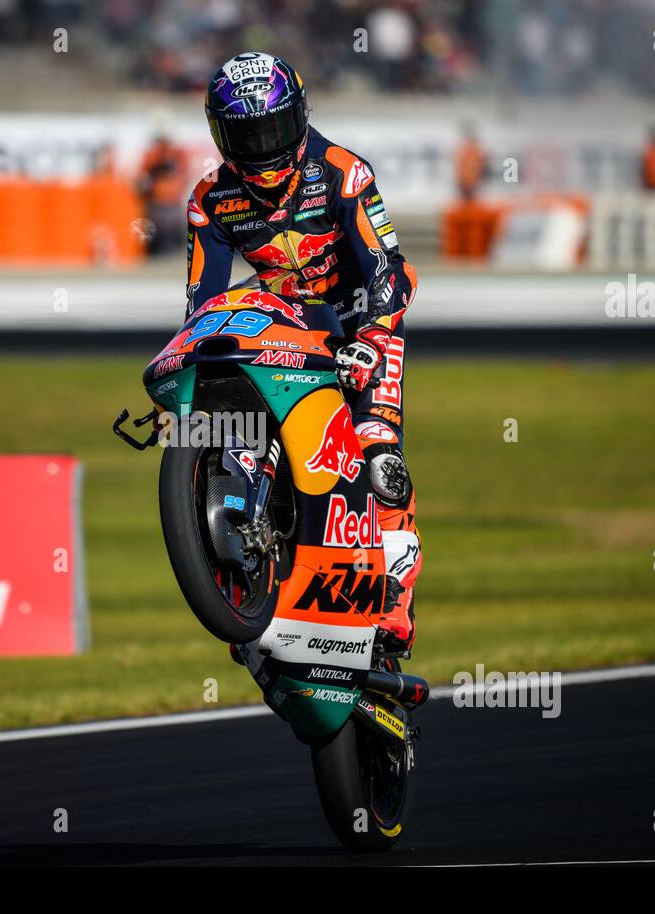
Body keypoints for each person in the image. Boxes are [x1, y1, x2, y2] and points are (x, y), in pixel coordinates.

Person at [187, 52, 421, 655]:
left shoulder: (344, 173)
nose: (263, 151)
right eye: (246, 136)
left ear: (300, 118)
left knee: (378, 456)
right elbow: (203, 302)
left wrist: (372, 337)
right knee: (230, 378)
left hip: (360, 320)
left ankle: (395, 599)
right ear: (221, 136)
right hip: (288, 323)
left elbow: (387, 271)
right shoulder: (210, 201)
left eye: (273, 131)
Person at [136, 131, 187, 255]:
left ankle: (173, 251)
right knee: (158, 230)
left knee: (172, 229)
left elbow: (183, 172)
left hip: (171, 199)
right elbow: (144, 175)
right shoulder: (151, 156)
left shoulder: (176, 154)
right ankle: (158, 251)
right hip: (157, 200)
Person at [454, 122, 485, 200]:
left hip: (469, 181)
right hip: (467, 181)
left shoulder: (472, 150)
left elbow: (479, 167)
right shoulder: (465, 150)